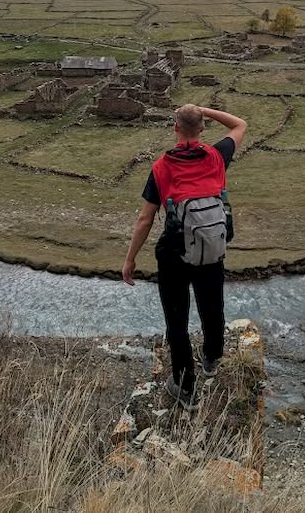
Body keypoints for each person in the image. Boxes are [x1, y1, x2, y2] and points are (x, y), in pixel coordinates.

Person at [122, 103, 247, 410]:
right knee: (212, 305)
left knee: (177, 319)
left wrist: (130, 260)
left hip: (174, 251)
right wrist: (205, 109)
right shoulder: (217, 156)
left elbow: (146, 219)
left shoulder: (162, 167)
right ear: (203, 129)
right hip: (211, 247)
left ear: (175, 128)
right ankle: (212, 359)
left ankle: (184, 386)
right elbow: (240, 125)